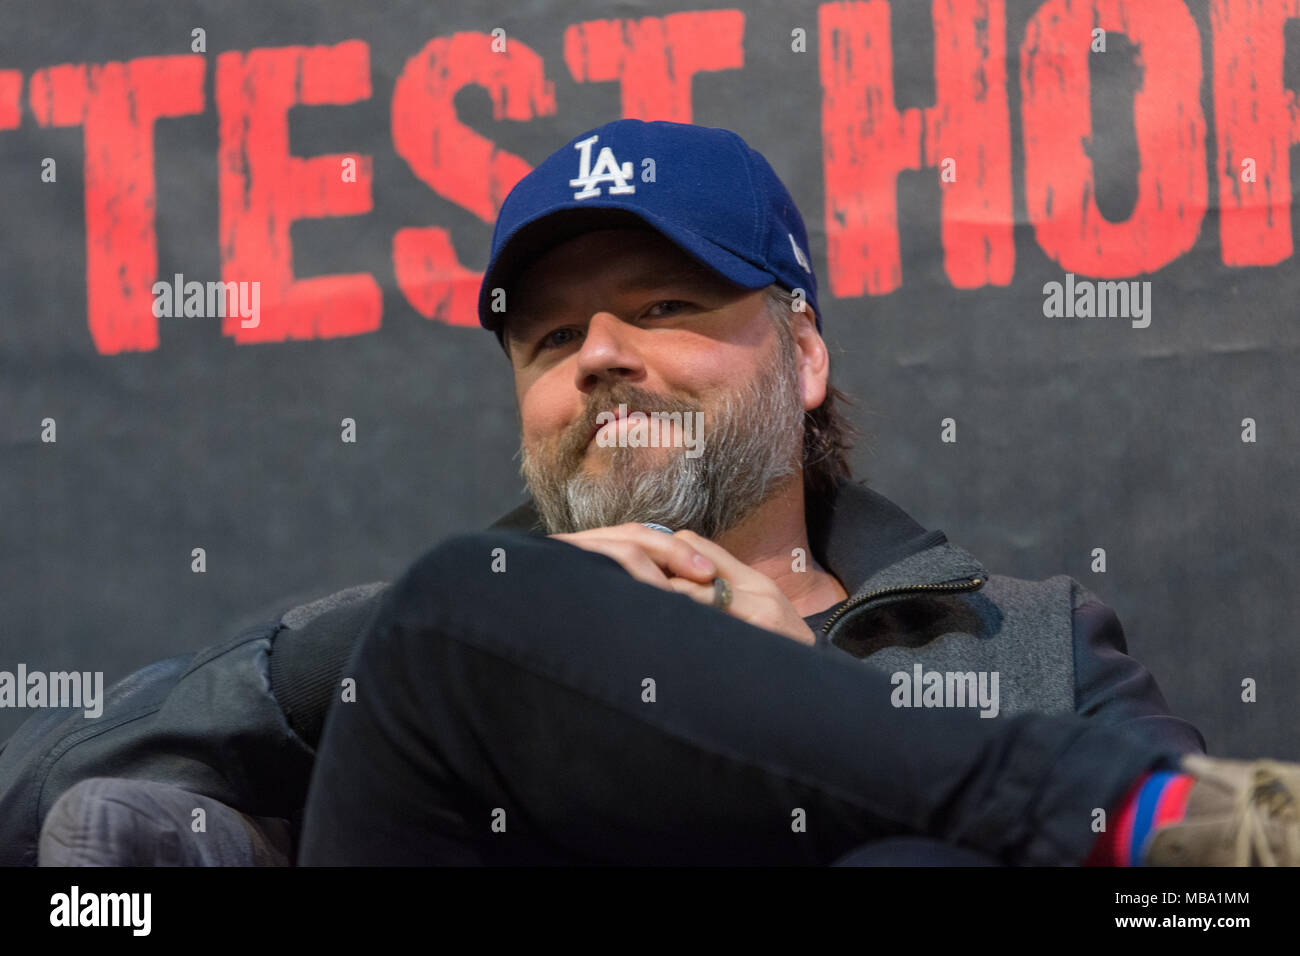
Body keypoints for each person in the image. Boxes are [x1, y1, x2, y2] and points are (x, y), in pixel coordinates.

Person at [291, 119, 1298, 866]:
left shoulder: (1029, 638)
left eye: (663, 304)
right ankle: (1084, 801)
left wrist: (799, 685)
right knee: (451, 602)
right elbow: (144, 755)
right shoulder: (430, 650)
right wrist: (540, 619)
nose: (599, 352)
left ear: (803, 352)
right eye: (552, 338)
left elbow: (1209, 892)